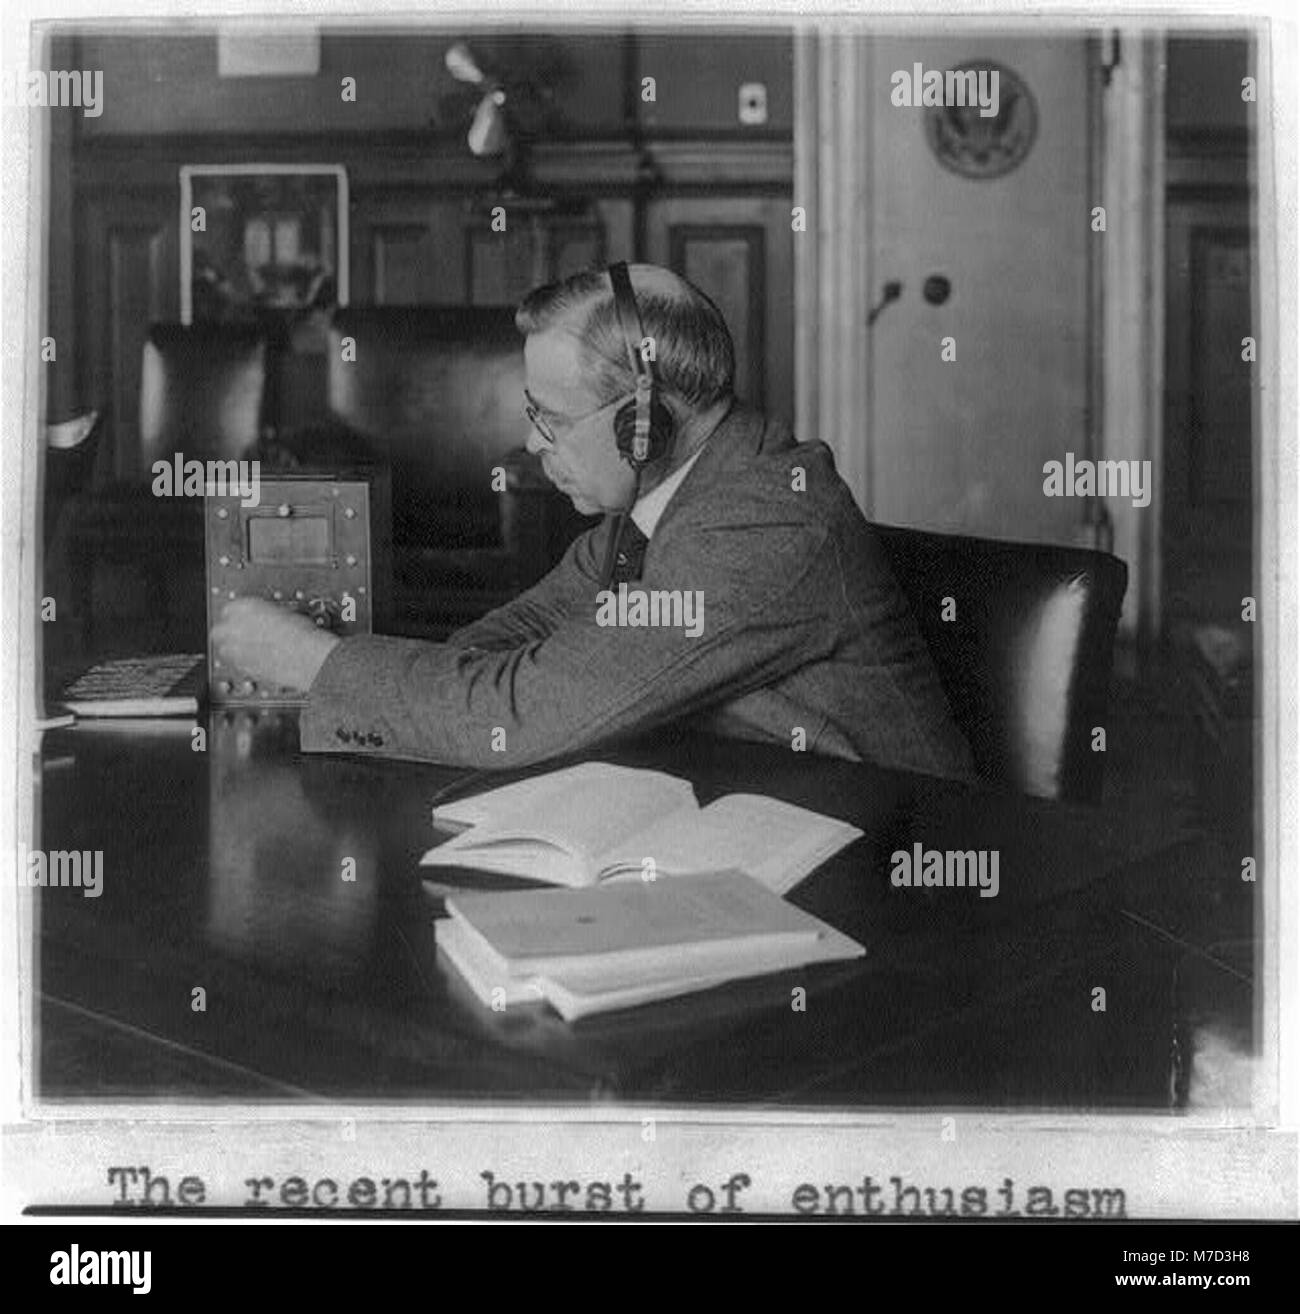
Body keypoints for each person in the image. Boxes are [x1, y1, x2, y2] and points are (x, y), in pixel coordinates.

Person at [213, 262, 974, 778]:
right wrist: (452, 695)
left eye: (551, 418)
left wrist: (315, 663)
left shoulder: (766, 526)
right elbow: (504, 644)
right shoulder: (659, 506)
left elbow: (525, 710)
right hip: (760, 827)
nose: (532, 445)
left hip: (892, 886)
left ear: (642, 424)